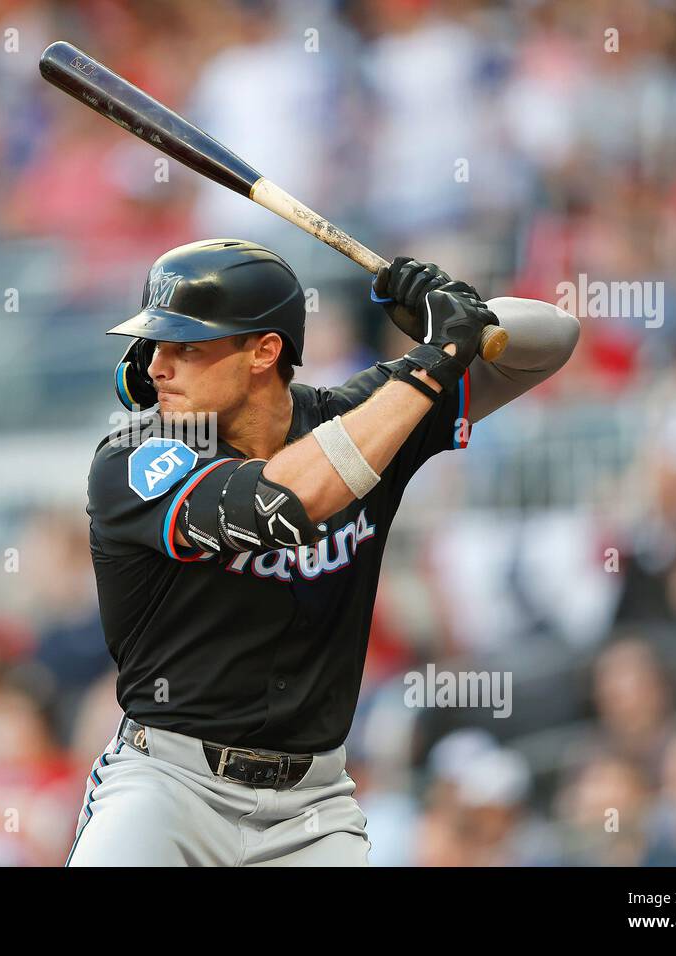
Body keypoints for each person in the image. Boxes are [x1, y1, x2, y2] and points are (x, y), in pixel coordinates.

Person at [68, 238, 580, 866]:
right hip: (170, 789)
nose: (157, 368)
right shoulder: (135, 455)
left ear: (264, 351)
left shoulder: (368, 413)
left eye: (188, 348)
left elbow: (554, 337)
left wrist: (466, 317)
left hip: (312, 809)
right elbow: (284, 500)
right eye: (156, 346)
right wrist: (432, 358)